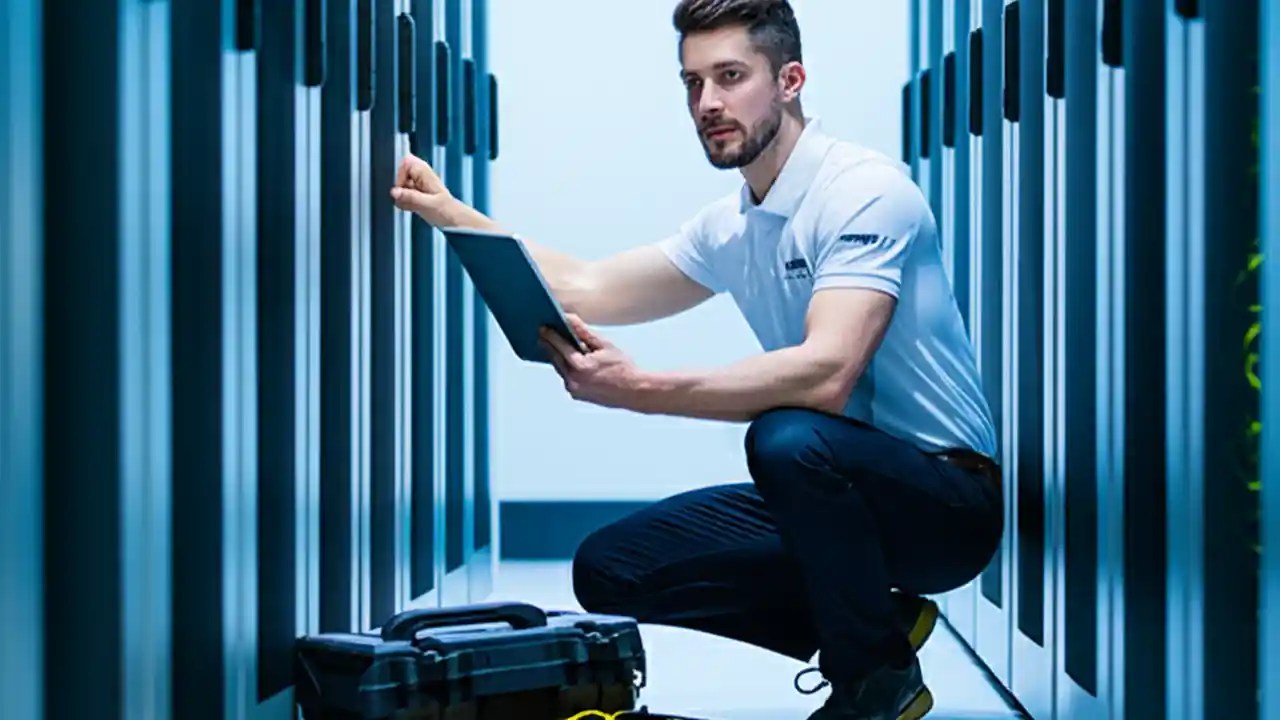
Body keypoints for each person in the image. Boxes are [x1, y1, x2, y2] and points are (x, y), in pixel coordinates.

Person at [390, 1, 1002, 717]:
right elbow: (587, 284)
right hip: (837, 493)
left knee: (787, 437)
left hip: (943, 505)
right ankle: (879, 628)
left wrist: (638, 386)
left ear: (790, 80)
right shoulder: (734, 224)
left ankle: (872, 680)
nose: (707, 103)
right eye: (692, 83)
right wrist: (446, 210)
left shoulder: (865, 193)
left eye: (731, 76)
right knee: (611, 568)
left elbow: (825, 374)